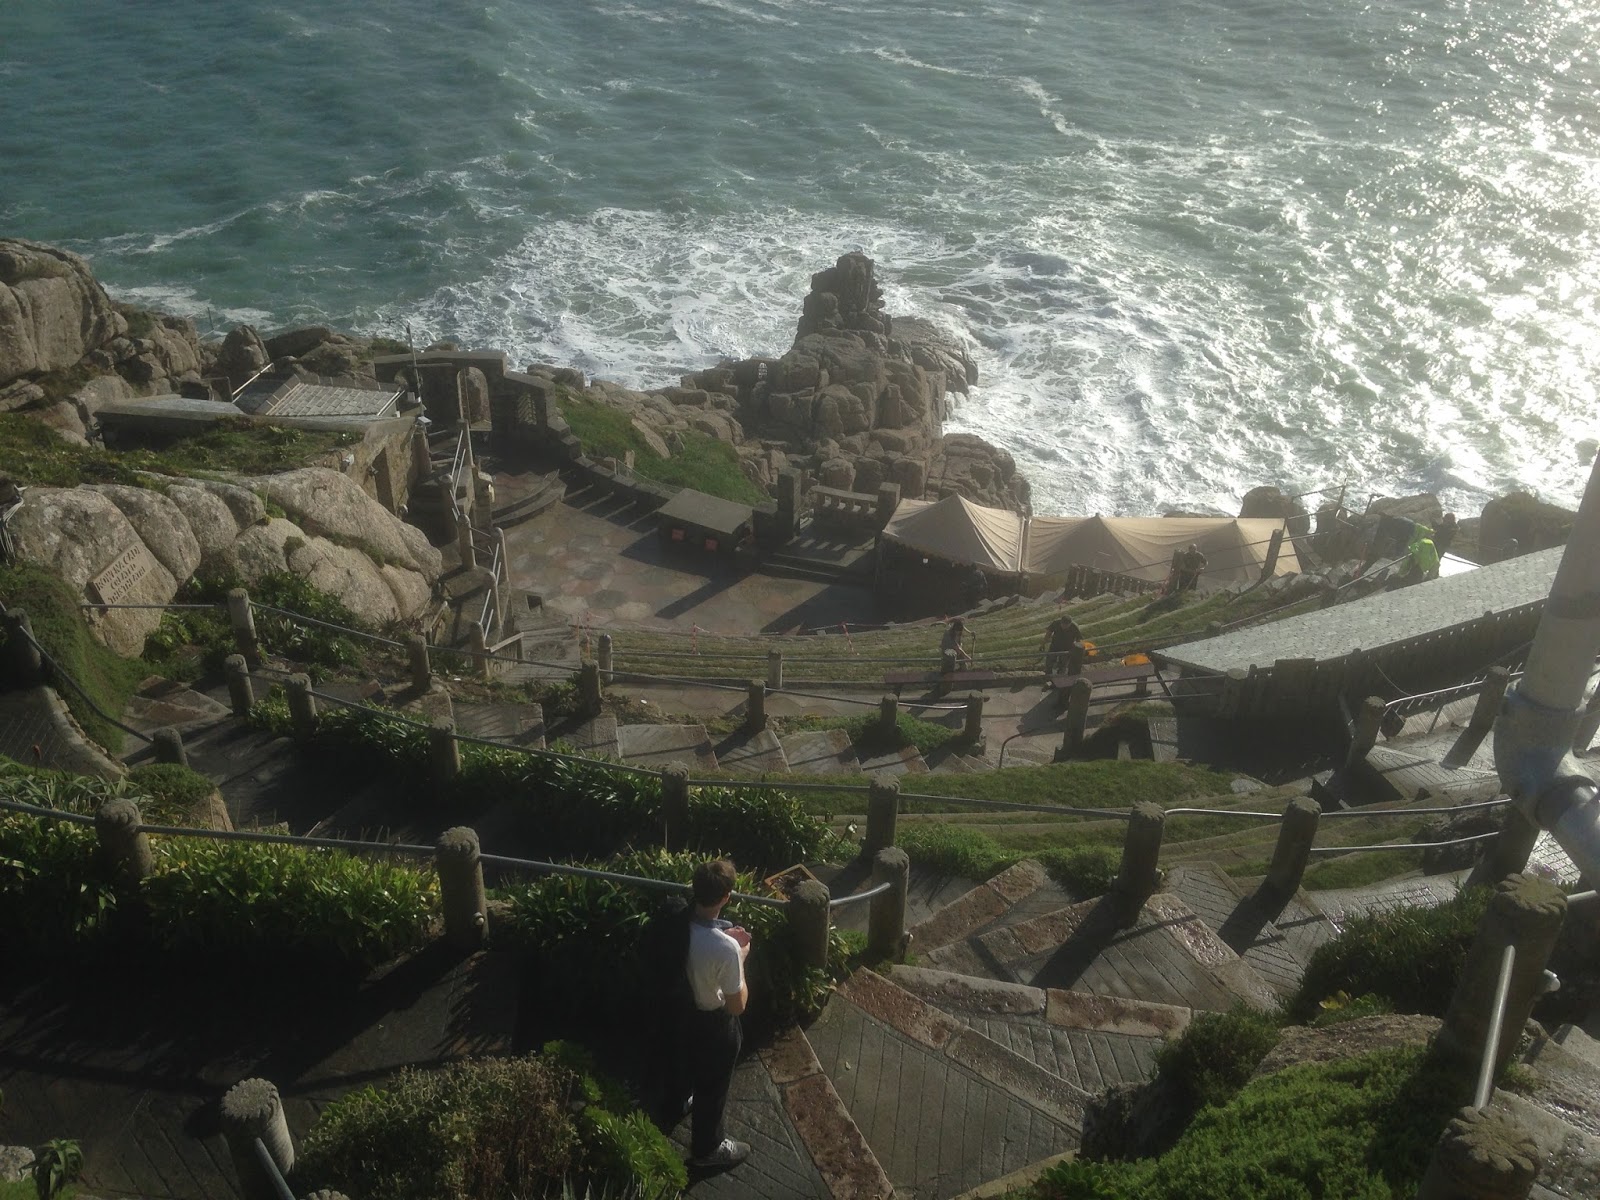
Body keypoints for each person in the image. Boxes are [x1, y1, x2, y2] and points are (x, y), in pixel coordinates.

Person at [683, 859, 751, 1170]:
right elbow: (736, 1006)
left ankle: (682, 1099)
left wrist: (723, 933)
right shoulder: (726, 950)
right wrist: (741, 957)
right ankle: (707, 1149)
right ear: (726, 897)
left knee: (688, 1061)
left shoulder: (676, 919)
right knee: (713, 1086)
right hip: (712, 1023)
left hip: (681, 1010)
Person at [1039, 613, 1082, 679]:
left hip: (1067, 648)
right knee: (1049, 661)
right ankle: (1048, 675)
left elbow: (1078, 639)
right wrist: (1043, 644)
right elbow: (1048, 634)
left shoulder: (1074, 627)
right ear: (1061, 622)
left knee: (1063, 664)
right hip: (1055, 646)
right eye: (1063, 624)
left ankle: (1061, 677)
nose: (1064, 627)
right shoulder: (1055, 623)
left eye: (1066, 625)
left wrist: (1077, 648)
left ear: (1070, 624)